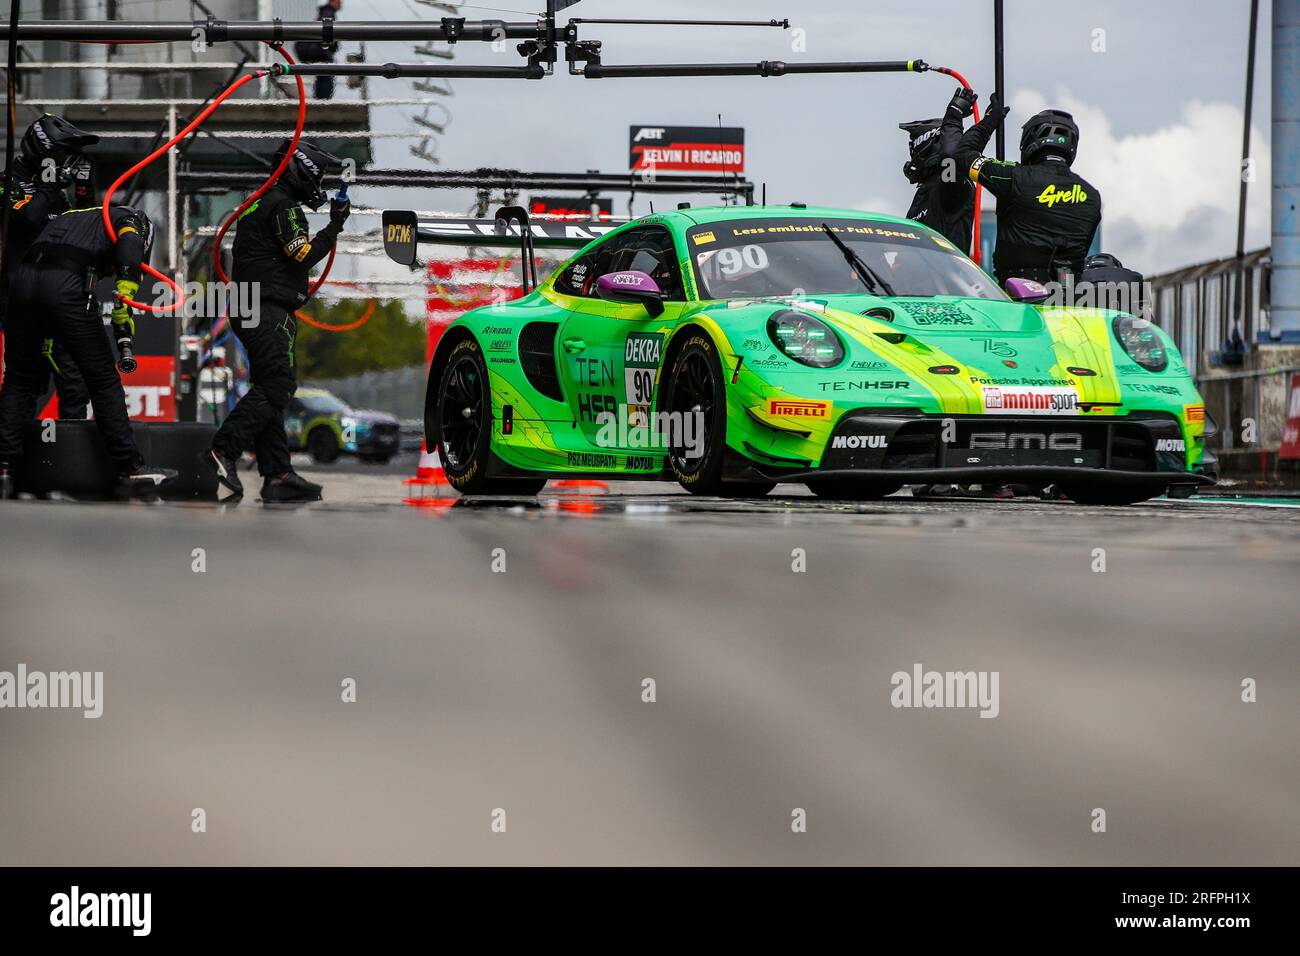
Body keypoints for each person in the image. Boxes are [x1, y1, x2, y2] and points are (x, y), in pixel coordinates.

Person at [205, 140, 350, 503]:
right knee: (279, 385)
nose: (317, 186)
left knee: (270, 388)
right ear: (299, 171)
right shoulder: (282, 205)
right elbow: (301, 254)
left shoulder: (258, 203)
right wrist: (334, 226)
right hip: (267, 308)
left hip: (249, 304)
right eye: (315, 177)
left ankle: (278, 475)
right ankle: (223, 449)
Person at [0, 205, 178, 499]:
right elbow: (130, 243)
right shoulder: (134, 219)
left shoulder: (72, 217)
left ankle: (4, 467)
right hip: (65, 286)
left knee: (19, 380)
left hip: (20, 285)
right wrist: (127, 288)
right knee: (103, 379)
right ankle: (130, 468)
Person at [0, 114, 96, 419]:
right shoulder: (8, 183)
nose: (68, 163)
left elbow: (86, 227)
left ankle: (71, 461)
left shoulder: (55, 193)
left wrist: (82, 189)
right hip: (20, 296)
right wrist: (45, 185)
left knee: (74, 381)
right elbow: (26, 220)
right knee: (25, 380)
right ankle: (10, 457)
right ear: (43, 153)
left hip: (60, 296)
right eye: (62, 156)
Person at [951, 96, 1102, 286]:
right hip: (1070, 300)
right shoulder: (1092, 197)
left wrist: (990, 120)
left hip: (1019, 296)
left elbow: (964, 157)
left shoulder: (1016, 177)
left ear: (1031, 140)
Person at [899, 87, 985, 254]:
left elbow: (951, 157)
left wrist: (955, 113)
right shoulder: (925, 191)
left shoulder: (949, 183)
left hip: (942, 279)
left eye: (913, 150)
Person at [294, 0, 342, 100]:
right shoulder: (328, 13)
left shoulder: (326, 12)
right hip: (318, 50)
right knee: (326, 71)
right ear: (333, 2)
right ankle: (323, 99)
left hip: (313, 49)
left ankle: (321, 98)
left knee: (323, 73)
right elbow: (327, 31)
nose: (341, 4)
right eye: (339, 2)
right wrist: (332, 46)